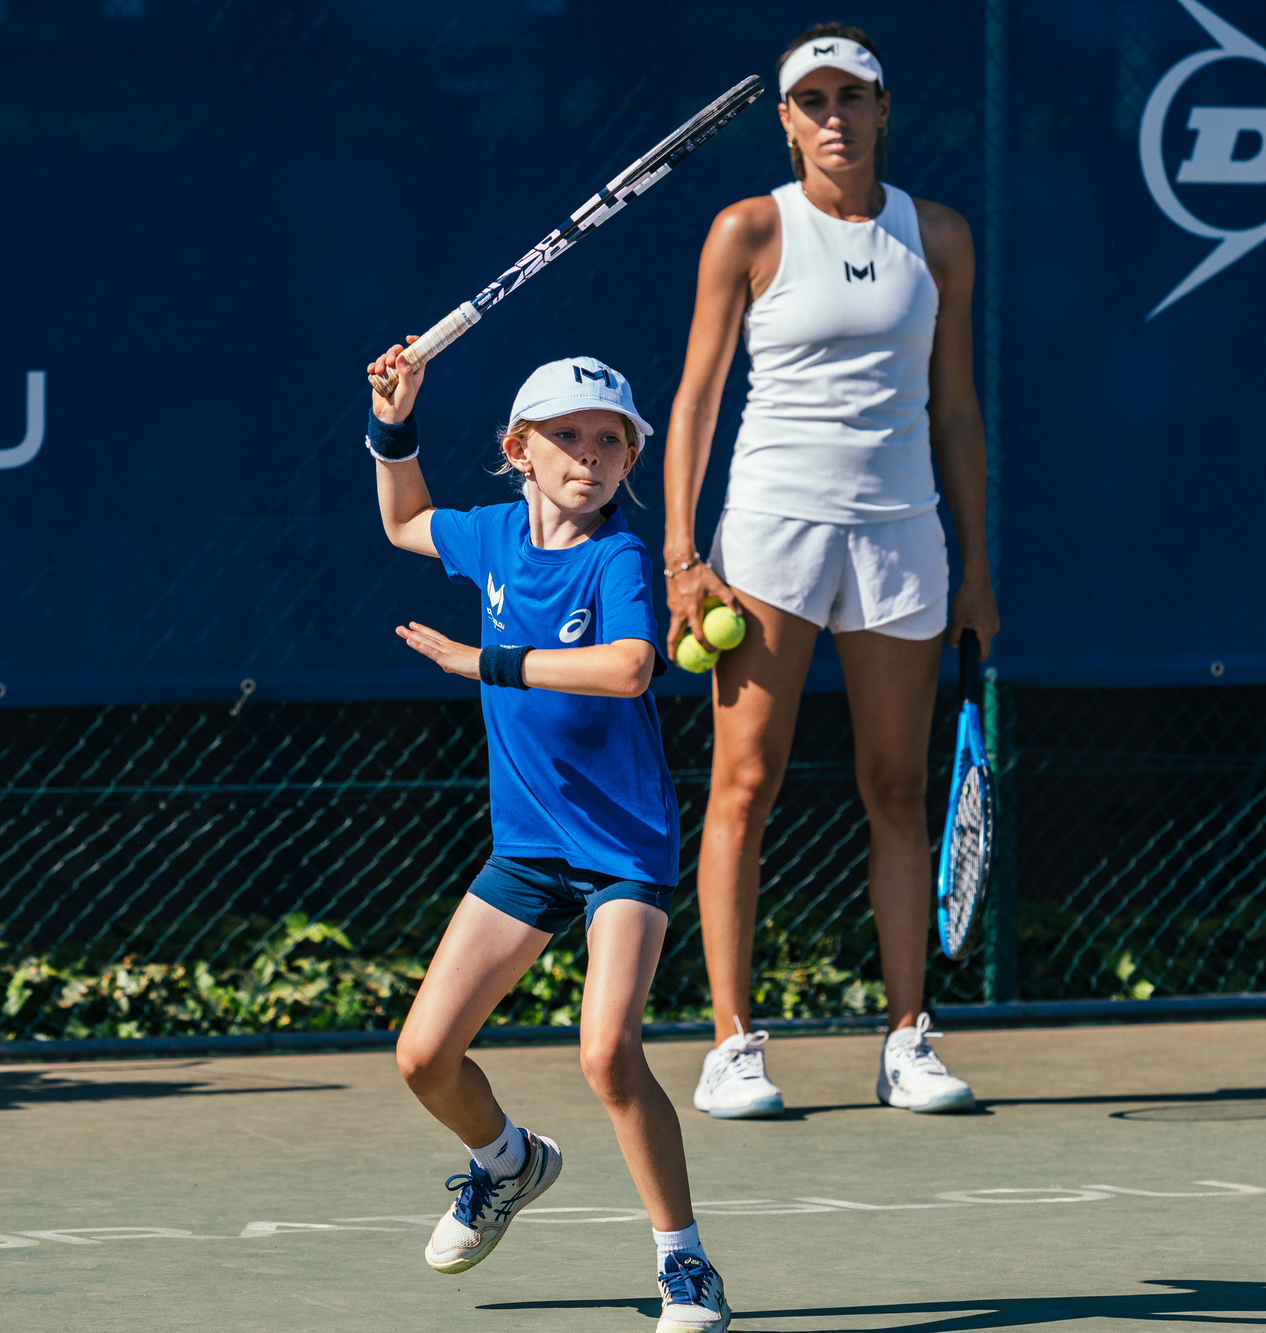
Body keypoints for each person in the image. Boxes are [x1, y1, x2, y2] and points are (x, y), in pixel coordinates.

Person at [662, 24, 1001, 1118]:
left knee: (895, 788)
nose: (832, 119)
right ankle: (729, 1043)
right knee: (743, 783)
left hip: (901, 535)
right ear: (785, 121)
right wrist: (682, 555)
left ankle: (906, 1036)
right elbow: (697, 402)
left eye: (850, 98)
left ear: (882, 109)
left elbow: (953, 408)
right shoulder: (748, 230)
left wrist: (976, 564)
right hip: (769, 535)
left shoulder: (938, 237)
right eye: (811, 102)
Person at [364, 342, 733, 1333]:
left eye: (609, 440)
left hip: (621, 844)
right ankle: (505, 1164)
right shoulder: (488, 538)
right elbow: (402, 517)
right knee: (422, 1057)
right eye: (566, 437)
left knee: (609, 1052)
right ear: (518, 450)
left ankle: (684, 1264)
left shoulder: (615, 555)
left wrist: (485, 660)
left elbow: (625, 668)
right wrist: (393, 423)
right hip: (526, 849)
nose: (590, 455)